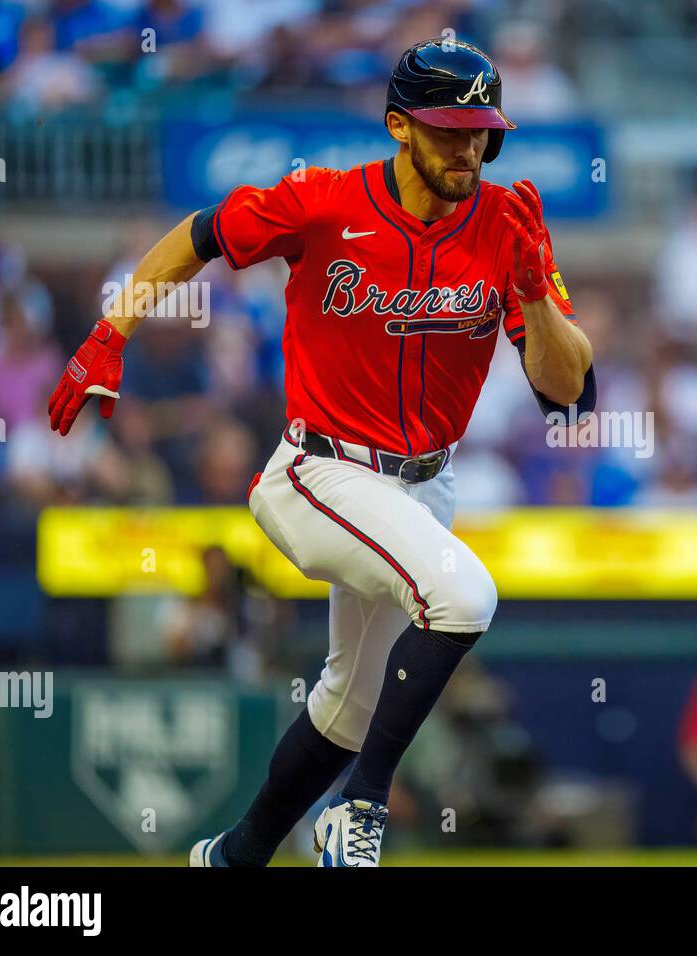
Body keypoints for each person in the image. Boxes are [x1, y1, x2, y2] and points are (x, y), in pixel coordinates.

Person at [45, 39, 596, 867]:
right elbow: (200, 234)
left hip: (424, 484)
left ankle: (234, 855)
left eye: (482, 129)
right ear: (398, 127)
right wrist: (110, 329)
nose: (469, 148)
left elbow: (568, 392)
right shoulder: (324, 200)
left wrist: (530, 293)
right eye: (449, 129)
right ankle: (361, 809)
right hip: (319, 470)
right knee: (465, 598)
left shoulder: (505, 224)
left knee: (349, 703)